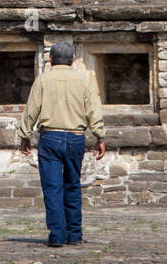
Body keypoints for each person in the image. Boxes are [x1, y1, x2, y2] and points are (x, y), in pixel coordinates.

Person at [19, 41, 106, 248]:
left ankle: (57, 234)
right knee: (73, 186)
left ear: (51, 60)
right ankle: (74, 234)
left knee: (53, 188)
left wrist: (25, 136)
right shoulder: (83, 81)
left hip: (50, 137)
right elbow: (94, 111)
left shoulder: (43, 80)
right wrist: (100, 137)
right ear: (73, 60)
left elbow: (31, 111)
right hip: (76, 137)